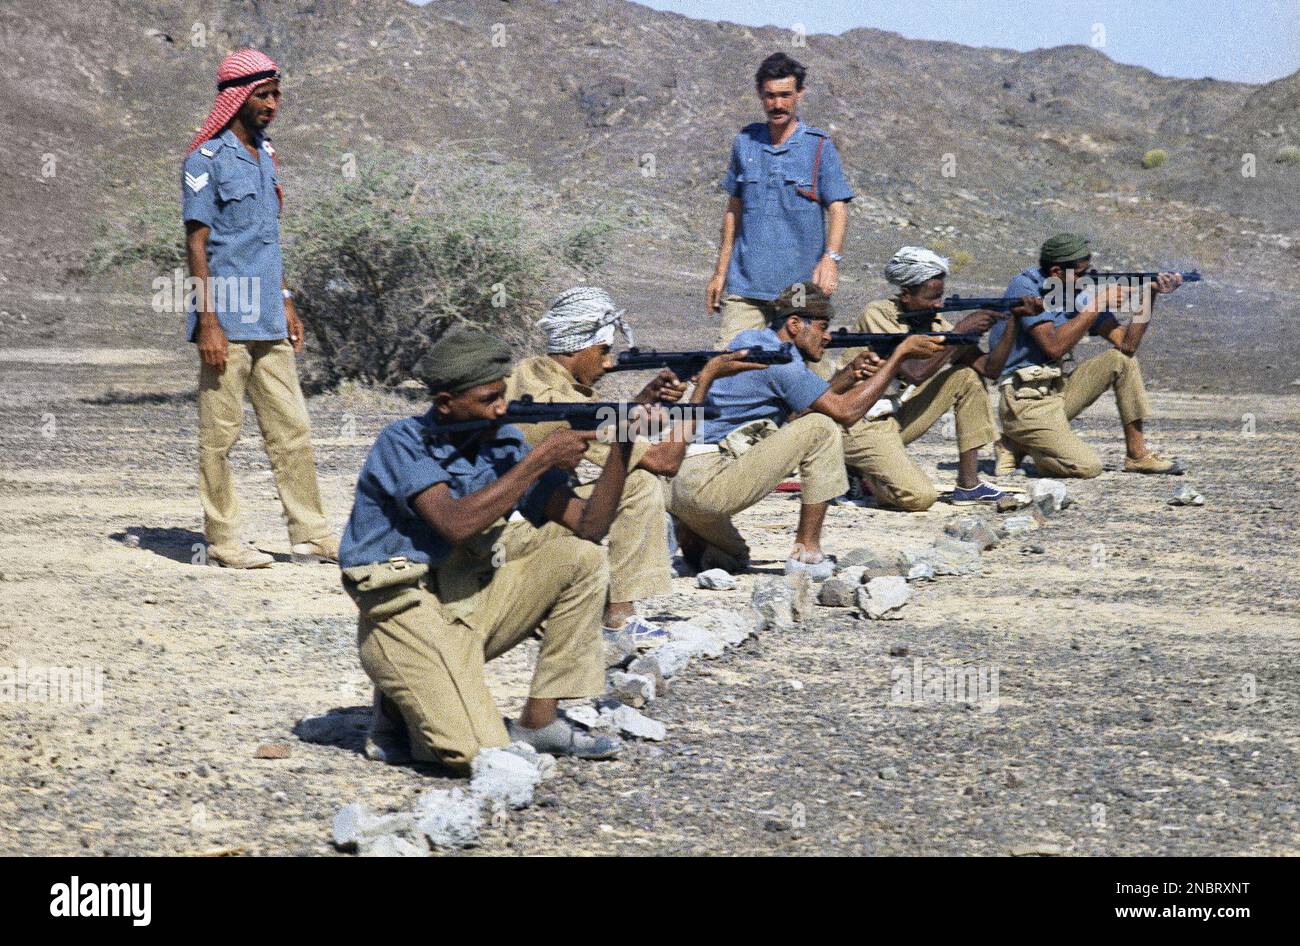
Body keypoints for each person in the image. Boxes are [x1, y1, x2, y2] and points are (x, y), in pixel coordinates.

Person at [339, 326, 634, 773]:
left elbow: (589, 525)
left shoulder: (504, 445)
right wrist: (538, 460)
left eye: (503, 395)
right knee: (478, 753)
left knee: (582, 559)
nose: (502, 408)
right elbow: (455, 523)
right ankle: (399, 701)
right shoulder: (402, 442)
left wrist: (624, 445)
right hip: (403, 608)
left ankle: (539, 720)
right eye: (488, 400)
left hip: (465, 604)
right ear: (445, 404)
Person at [506, 287, 764, 642]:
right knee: (640, 483)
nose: (609, 363)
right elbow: (664, 461)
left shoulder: (530, 373)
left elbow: (614, 428)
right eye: (603, 351)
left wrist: (645, 399)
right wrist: (703, 384)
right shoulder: (559, 401)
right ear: (575, 346)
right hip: (515, 535)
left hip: (511, 523)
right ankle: (620, 617)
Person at [669, 284, 944, 579]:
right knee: (822, 429)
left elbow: (797, 413)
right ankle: (807, 553)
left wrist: (848, 376)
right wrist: (898, 357)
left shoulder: (752, 341)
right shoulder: (781, 362)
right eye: (823, 327)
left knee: (733, 561)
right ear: (795, 324)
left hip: (682, 481)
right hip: (709, 478)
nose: (828, 337)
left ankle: (688, 527)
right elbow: (845, 413)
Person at [181, 49, 337, 568]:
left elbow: (269, 239)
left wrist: (288, 301)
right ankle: (223, 541)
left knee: (292, 428)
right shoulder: (205, 160)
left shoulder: (267, 155)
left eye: (276, 94)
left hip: (269, 314)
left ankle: (310, 533)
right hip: (225, 316)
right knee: (220, 435)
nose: (272, 104)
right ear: (237, 98)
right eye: (262, 95)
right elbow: (197, 244)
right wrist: (208, 321)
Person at [838, 248, 1021, 510]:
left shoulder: (937, 325)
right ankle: (860, 470)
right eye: (930, 297)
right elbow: (914, 371)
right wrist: (959, 333)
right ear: (905, 294)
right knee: (920, 498)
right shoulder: (878, 313)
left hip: (894, 418)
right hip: (859, 422)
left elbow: (988, 369)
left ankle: (968, 484)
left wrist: (1014, 320)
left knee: (966, 377)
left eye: (940, 297)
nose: (937, 304)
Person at [989, 233, 1184, 478]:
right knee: (1088, 467)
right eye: (1080, 273)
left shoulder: (1075, 291)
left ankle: (1137, 455)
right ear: (1056, 271)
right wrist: (1098, 303)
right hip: (1023, 400)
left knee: (1121, 361)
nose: (1087, 278)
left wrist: (1149, 294)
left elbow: (1126, 344)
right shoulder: (1025, 289)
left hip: (1056, 392)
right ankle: (1025, 443)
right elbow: (1053, 347)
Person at [706, 52, 854, 349]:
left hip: (800, 292)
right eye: (770, 96)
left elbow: (837, 209)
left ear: (800, 93)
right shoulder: (745, 142)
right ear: (760, 94)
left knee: (809, 382)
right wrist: (720, 273)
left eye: (786, 95)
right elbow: (733, 211)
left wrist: (831, 259)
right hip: (746, 287)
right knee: (728, 370)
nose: (778, 104)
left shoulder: (818, 146)